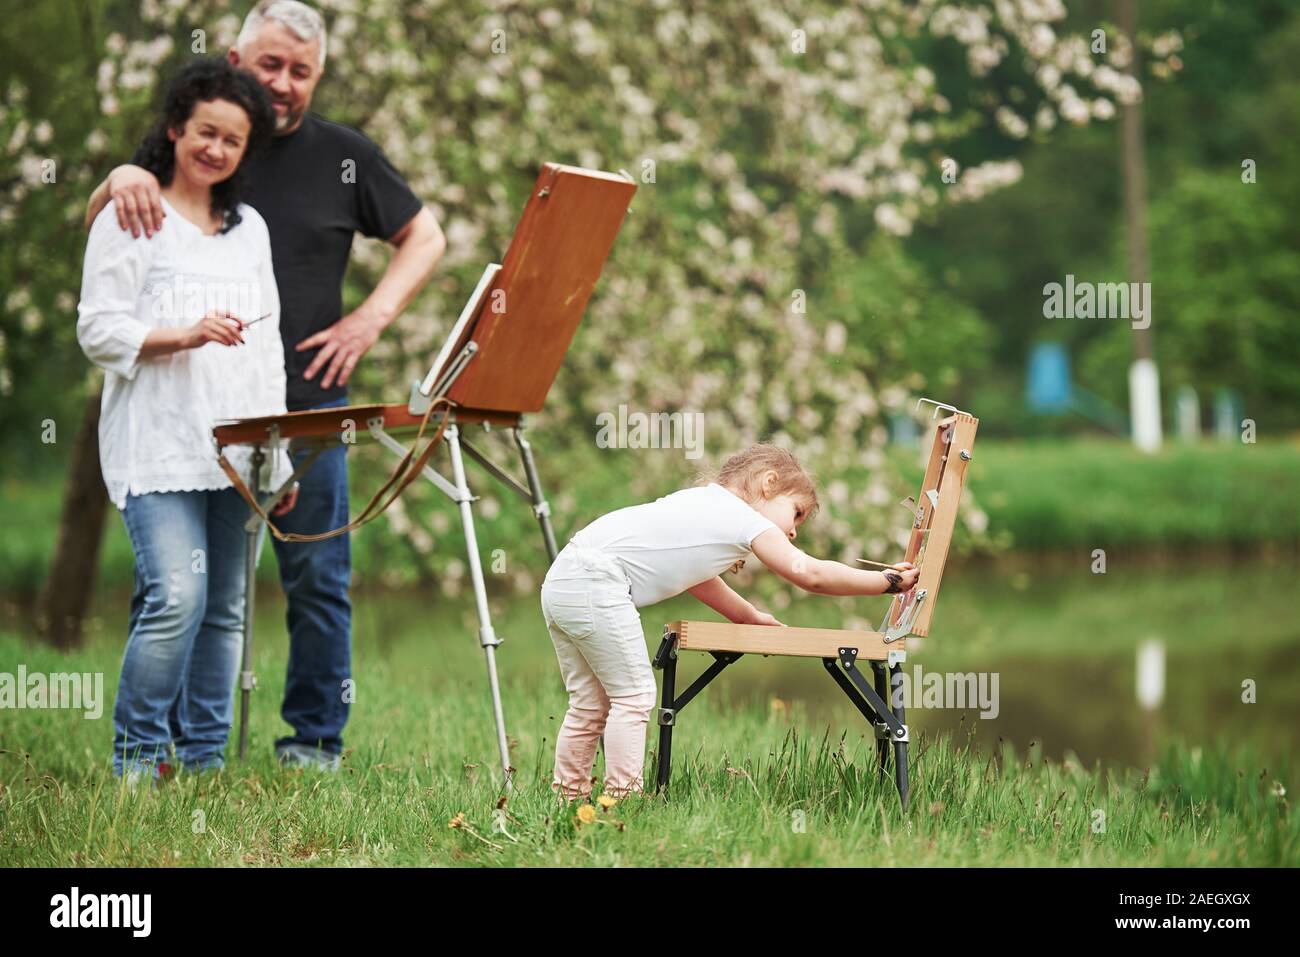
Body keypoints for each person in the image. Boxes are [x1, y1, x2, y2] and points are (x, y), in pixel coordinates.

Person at [85, 1, 447, 770]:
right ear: (231, 58)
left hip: (298, 406)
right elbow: (114, 239)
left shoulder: (339, 158)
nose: (283, 84)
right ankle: (160, 752)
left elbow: (428, 234)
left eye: (301, 71)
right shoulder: (191, 153)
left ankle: (310, 742)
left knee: (312, 577)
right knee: (178, 592)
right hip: (178, 413)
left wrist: (370, 320)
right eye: (270, 64)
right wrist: (117, 175)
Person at [77, 57, 293, 782]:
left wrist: (279, 452)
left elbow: (267, 350)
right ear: (175, 128)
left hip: (235, 452)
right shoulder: (132, 212)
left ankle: (202, 761)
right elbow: (98, 331)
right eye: (205, 132)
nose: (216, 150)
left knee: (226, 609)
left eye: (232, 141)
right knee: (177, 596)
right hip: (157, 448)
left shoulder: (250, 230)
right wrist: (185, 334)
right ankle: (138, 758)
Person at [540, 444, 920, 799]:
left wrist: (748, 617)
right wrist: (885, 583)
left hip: (563, 580)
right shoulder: (740, 517)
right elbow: (808, 573)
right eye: (796, 513)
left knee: (589, 704)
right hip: (597, 582)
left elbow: (698, 578)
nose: (792, 531)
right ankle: (620, 802)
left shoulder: (702, 504)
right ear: (769, 483)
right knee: (634, 696)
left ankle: (568, 799)